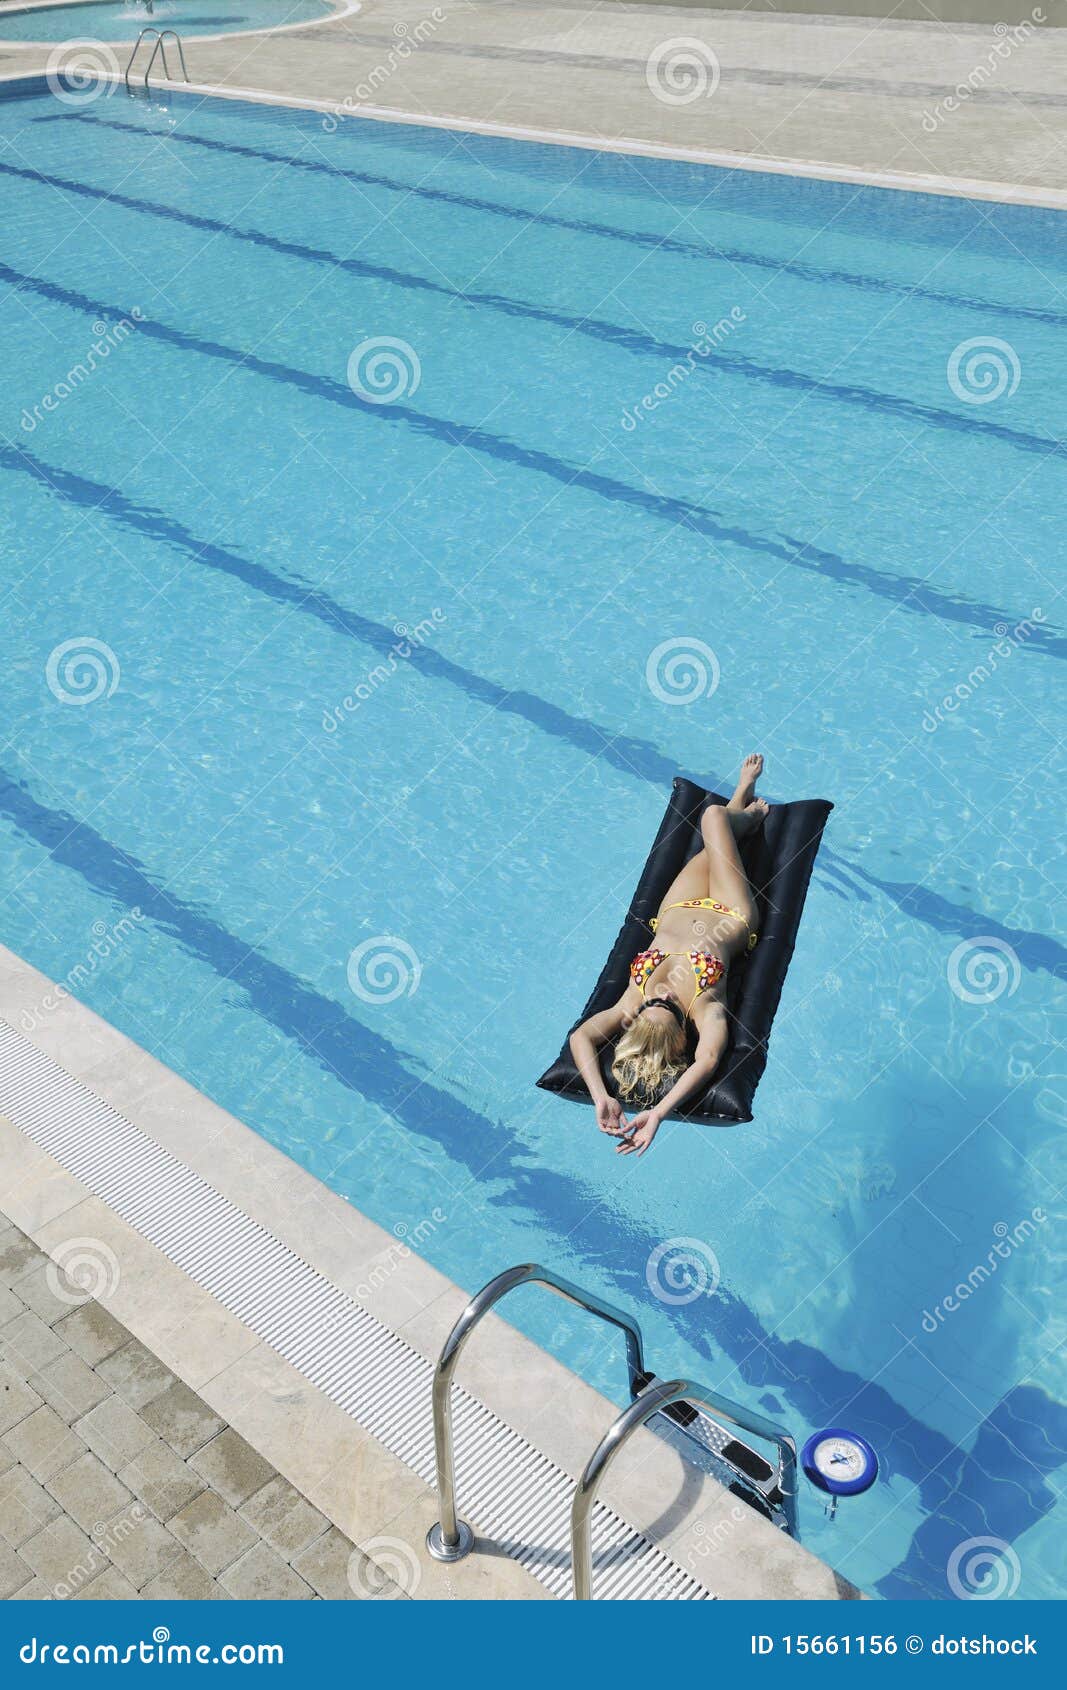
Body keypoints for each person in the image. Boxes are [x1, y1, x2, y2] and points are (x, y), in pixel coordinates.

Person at [569, 755, 767, 1158]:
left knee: (714, 837)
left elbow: (582, 1037)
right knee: (713, 818)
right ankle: (744, 816)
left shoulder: (631, 1002)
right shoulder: (705, 1008)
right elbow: (707, 1060)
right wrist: (658, 1113)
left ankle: (738, 812)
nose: (665, 996)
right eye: (670, 1007)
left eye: (654, 1004)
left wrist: (598, 1097)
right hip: (731, 910)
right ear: (681, 1032)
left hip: (677, 907)